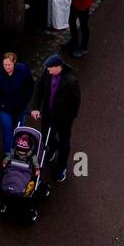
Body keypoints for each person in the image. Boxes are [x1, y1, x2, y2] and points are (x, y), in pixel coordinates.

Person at [30, 54, 81, 184]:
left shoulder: (71, 81)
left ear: (58, 67)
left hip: (64, 119)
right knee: (47, 135)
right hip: (48, 115)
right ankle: (53, 148)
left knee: (64, 143)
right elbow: (39, 89)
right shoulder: (47, 74)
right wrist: (35, 107)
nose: (48, 70)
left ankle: (61, 167)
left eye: (50, 68)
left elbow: (75, 102)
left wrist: (69, 118)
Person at [0, 52, 35, 157]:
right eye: (5, 65)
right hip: (5, 110)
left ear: (14, 62)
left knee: (20, 131)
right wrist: (1, 105)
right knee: (7, 132)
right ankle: (8, 155)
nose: (7, 67)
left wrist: (25, 101)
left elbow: (30, 87)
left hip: (21, 108)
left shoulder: (23, 70)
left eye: (9, 65)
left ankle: (20, 152)